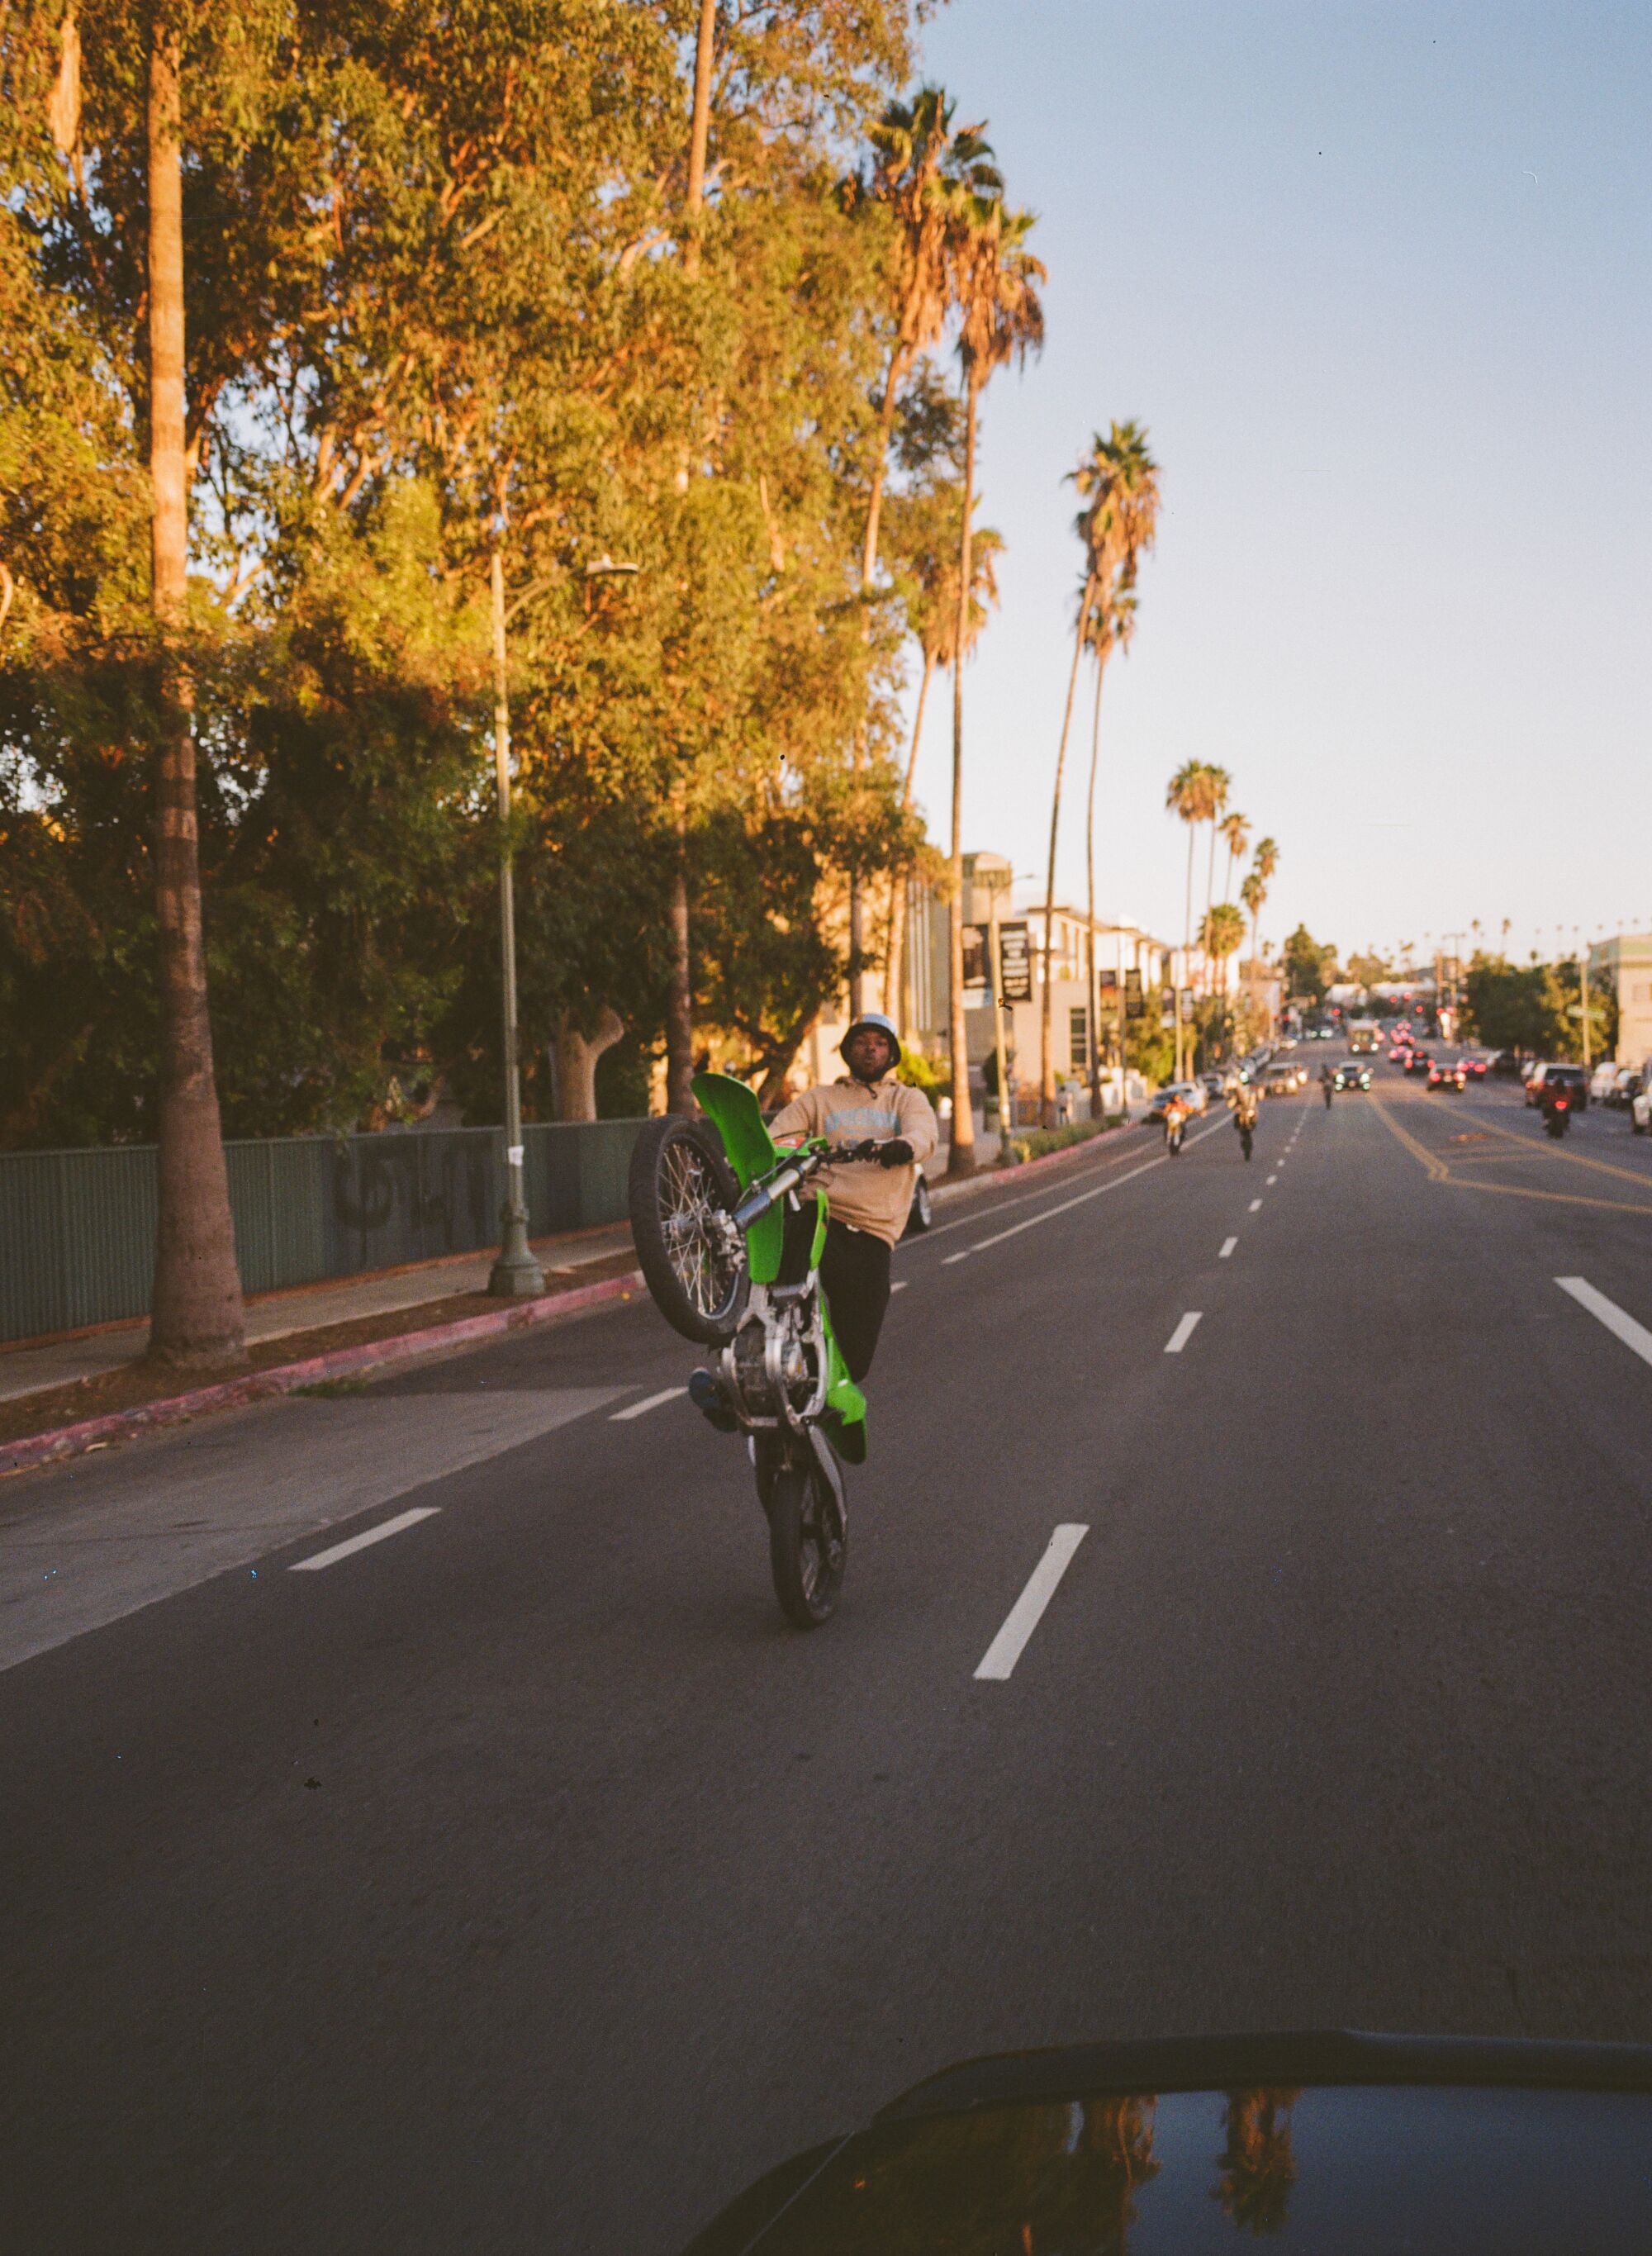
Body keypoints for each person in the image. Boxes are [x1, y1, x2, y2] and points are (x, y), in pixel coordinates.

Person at [689, 1013, 937, 1426]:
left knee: (857, 1356)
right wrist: (750, 1161)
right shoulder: (820, 1099)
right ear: (847, 1050)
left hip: (872, 1234)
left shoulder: (906, 1100)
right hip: (818, 1214)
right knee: (759, 1280)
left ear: (891, 1052)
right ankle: (728, 1384)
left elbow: (924, 1135)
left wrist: (901, 1147)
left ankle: (814, 1392)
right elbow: (777, 1138)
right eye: (862, 1041)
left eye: (879, 1042)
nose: (870, 1048)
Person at [1232, 1079, 1257, 1160]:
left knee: (1254, 1115)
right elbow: (1232, 1101)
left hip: (1249, 1109)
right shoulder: (1237, 1090)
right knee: (1236, 1115)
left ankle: (1252, 1124)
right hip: (1241, 1110)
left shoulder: (1251, 1092)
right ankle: (1238, 1126)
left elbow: (1256, 1099)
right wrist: (1234, 1104)